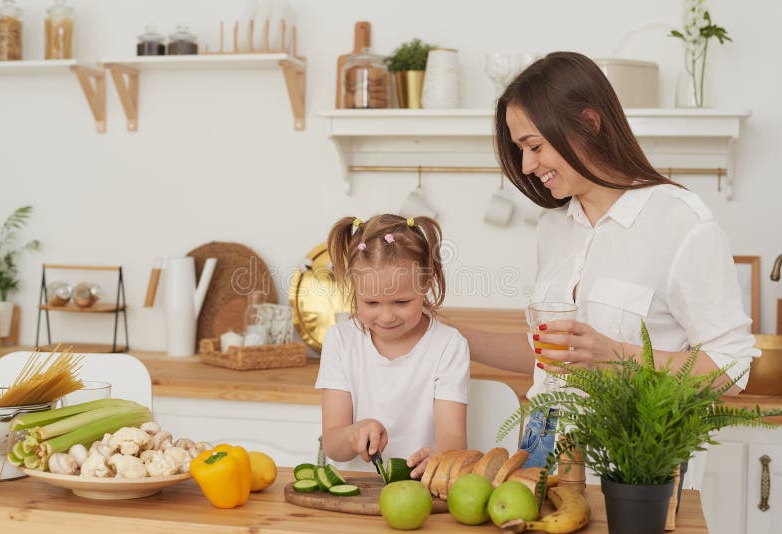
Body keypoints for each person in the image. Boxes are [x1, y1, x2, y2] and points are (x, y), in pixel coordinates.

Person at [458, 51, 758, 468]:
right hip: (540, 454)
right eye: (520, 150)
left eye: (535, 146)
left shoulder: (681, 221)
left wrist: (616, 354)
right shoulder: (554, 227)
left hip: (632, 463)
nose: (526, 166)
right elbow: (547, 357)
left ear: (590, 123)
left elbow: (729, 365)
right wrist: (446, 330)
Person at [316, 214, 469, 476]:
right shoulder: (341, 340)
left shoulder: (449, 345)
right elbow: (332, 444)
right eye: (371, 303)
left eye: (401, 302)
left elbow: (453, 438)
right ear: (355, 289)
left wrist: (441, 457)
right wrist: (353, 434)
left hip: (422, 488)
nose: (386, 317)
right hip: (356, 488)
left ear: (426, 283)